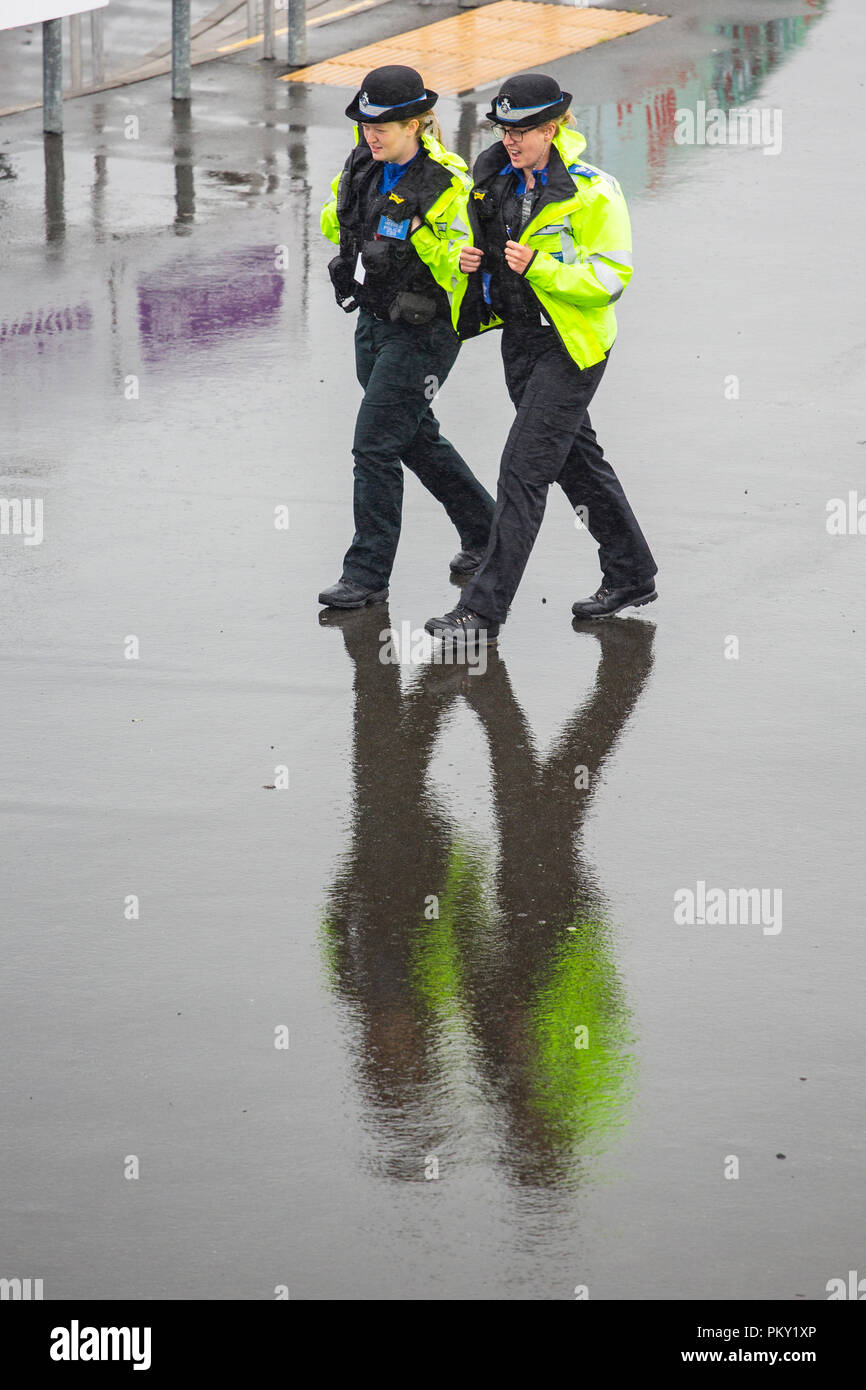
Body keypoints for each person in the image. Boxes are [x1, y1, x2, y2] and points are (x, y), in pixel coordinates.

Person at [424, 72, 658, 643]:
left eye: (522, 129)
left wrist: (542, 267)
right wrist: (467, 259)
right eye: (504, 129)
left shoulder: (594, 191)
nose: (510, 139)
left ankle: (482, 612)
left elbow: (611, 279)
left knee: (522, 471)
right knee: (577, 463)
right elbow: (462, 234)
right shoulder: (491, 179)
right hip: (521, 343)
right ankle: (631, 573)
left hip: (572, 345)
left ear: (552, 128)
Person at [318, 65, 495, 609]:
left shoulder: (445, 182)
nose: (372, 134)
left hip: (426, 332)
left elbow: (456, 264)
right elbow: (334, 222)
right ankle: (489, 531)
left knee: (375, 444)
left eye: (385, 125)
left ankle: (366, 575)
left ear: (417, 124)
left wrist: (428, 242)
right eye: (366, 123)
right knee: (415, 437)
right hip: (373, 320)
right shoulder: (362, 164)